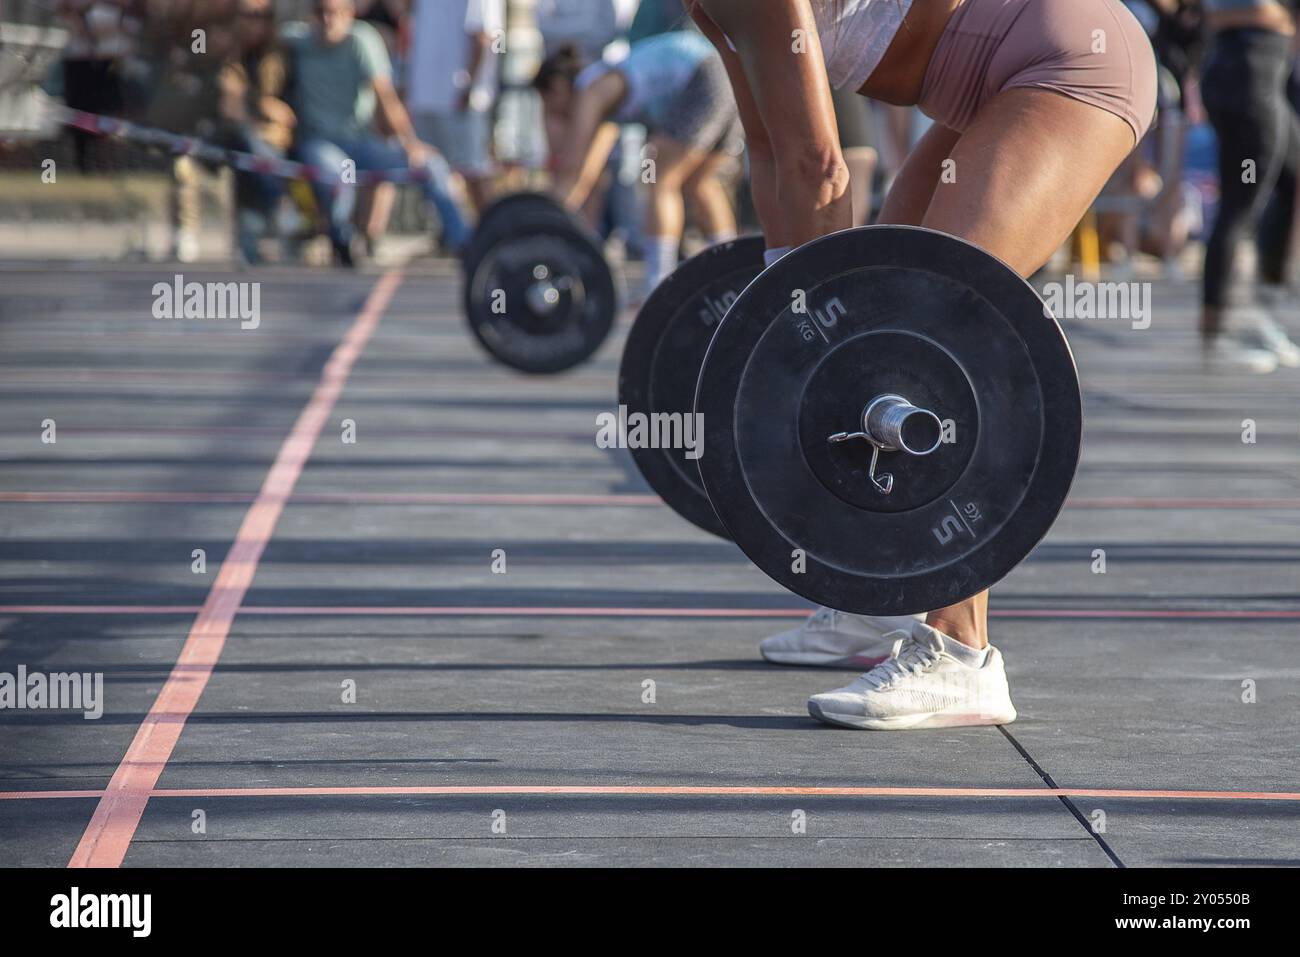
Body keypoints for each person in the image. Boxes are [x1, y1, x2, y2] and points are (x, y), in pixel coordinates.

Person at [688, 0, 1157, 730]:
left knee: (930, 340)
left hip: (1067, 64)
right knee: (887, 316)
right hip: (991, 86)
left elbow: (820, 164)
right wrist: (796, 312)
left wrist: (808, 338)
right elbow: (768, 146)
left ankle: (961, 654)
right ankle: (877, 590)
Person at [535, 31, 742, 300]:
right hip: (723, 70)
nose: (555, 115)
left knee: (659, 178)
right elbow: (586, 175)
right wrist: (558, 218)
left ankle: (658, 286)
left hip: (703, 75)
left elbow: (573, 166)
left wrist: (539, 224)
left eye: (550, 104)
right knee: (700, 183)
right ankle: (738, 275)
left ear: (558, 86)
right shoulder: (603, 90)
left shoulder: (590, 90)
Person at [281, 0, 471, 266]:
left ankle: (464, 242)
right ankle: (342, 240)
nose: (327, 20)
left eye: (334, 12)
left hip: (360, 141)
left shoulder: (362, 41)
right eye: (319, 12)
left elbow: (385, 96)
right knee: (337, 177)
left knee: (431, 165)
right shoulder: (294, 41)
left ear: (349, 14)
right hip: (320, 142)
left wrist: (410, 143)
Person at [1199, 0, 1300, 371]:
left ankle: (1264, 308)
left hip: (1255, 70)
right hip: (1250, 73)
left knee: (1291, 180)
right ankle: (1218, 332)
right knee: (1239, 208)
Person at [407, 0, 505, 211]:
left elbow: (483, 37)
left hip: (462, 103)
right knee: (437, 175)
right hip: (425, 99)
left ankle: (492, 234)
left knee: (474, 173)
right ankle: (456, 237)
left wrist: (468, 88)